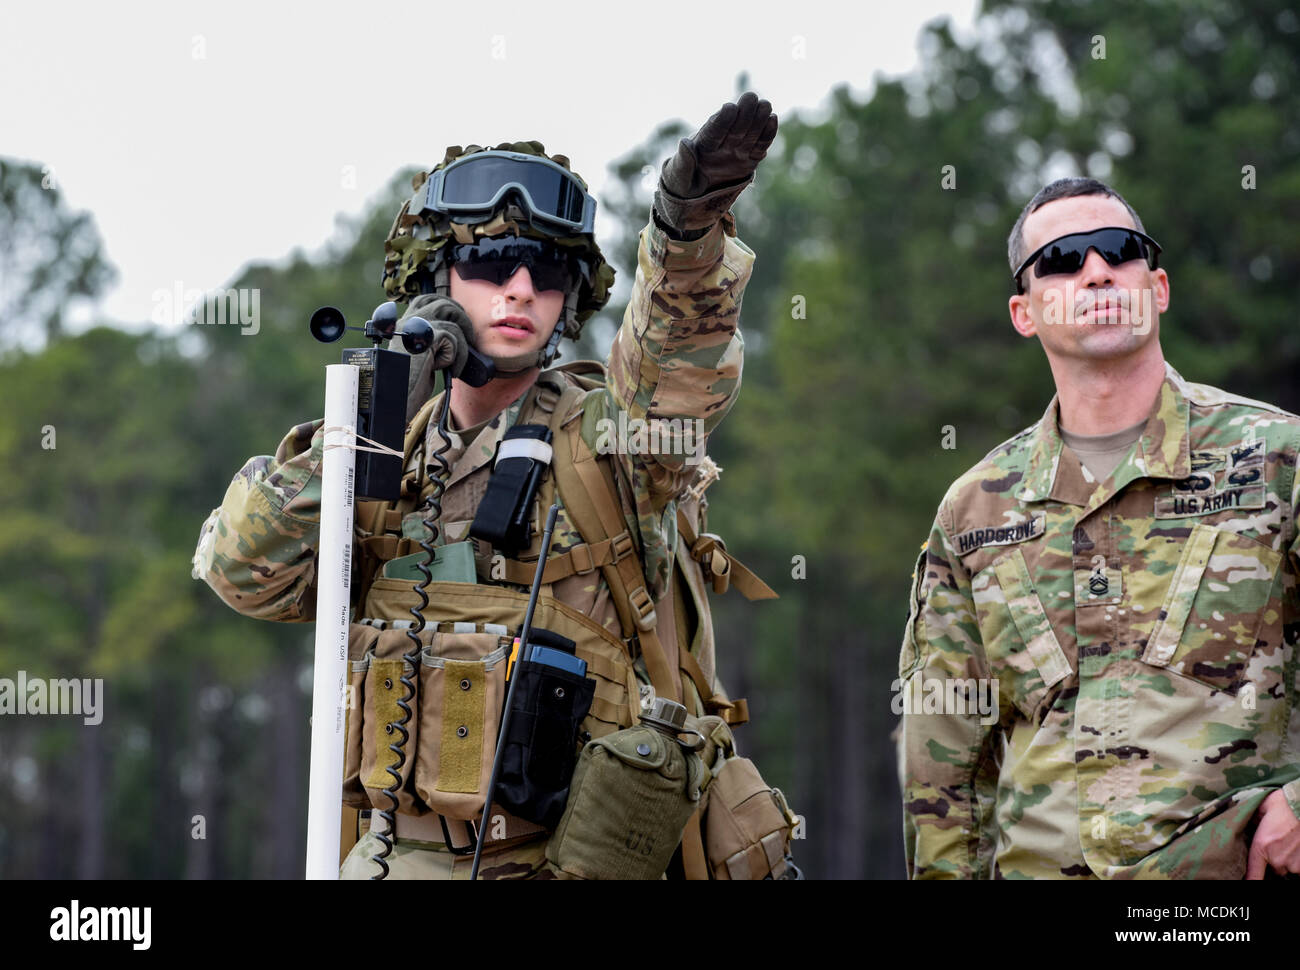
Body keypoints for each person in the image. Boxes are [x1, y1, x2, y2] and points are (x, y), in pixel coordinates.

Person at [193, 92, 796, 879]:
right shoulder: (377, 451)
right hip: (399, 857)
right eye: (487, 265)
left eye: (544, 271)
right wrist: (374, 411)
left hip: (575, 860)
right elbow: (241, 573)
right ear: (437, 279)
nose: (517, 290)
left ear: (569, 296)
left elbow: (678, 365)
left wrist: (687, 234)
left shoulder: (607, 442)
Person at [898, 176, 1300, 879]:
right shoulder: (977, 510)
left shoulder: (1277, 459)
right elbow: (946, 756)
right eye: (1061, 258)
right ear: (1024, 313)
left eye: (1120, 250)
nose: (1096, 270)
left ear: (1159, 288)